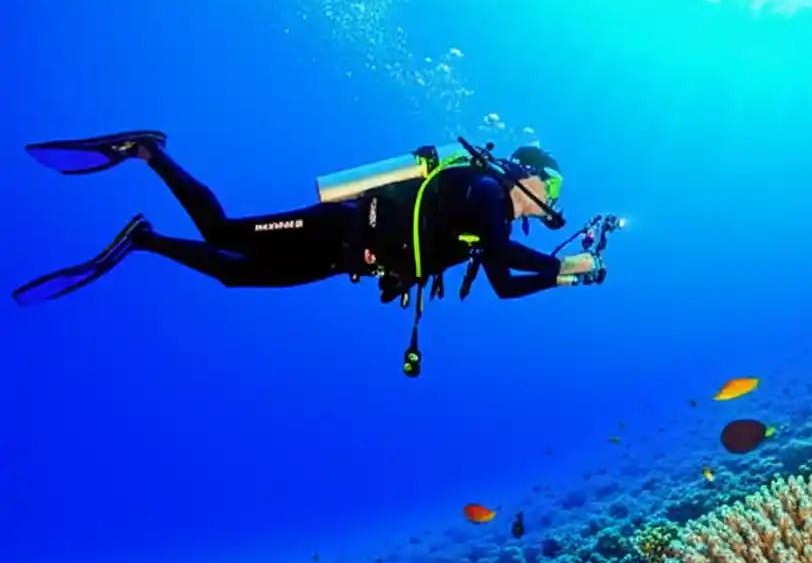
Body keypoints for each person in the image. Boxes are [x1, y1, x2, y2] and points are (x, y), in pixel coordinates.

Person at [13, 131, 606, 374]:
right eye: (550, 188)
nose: (552, 200)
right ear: (524, 177)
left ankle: (144, 238)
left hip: (345, 258)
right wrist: (560, 267)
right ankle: (147, 151)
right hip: (341, 228)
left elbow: (501, 281)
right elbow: (503, 260)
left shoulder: (492, 216)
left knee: (235, 279)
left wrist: (563, 279)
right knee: (223, 234)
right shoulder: (484, 192)